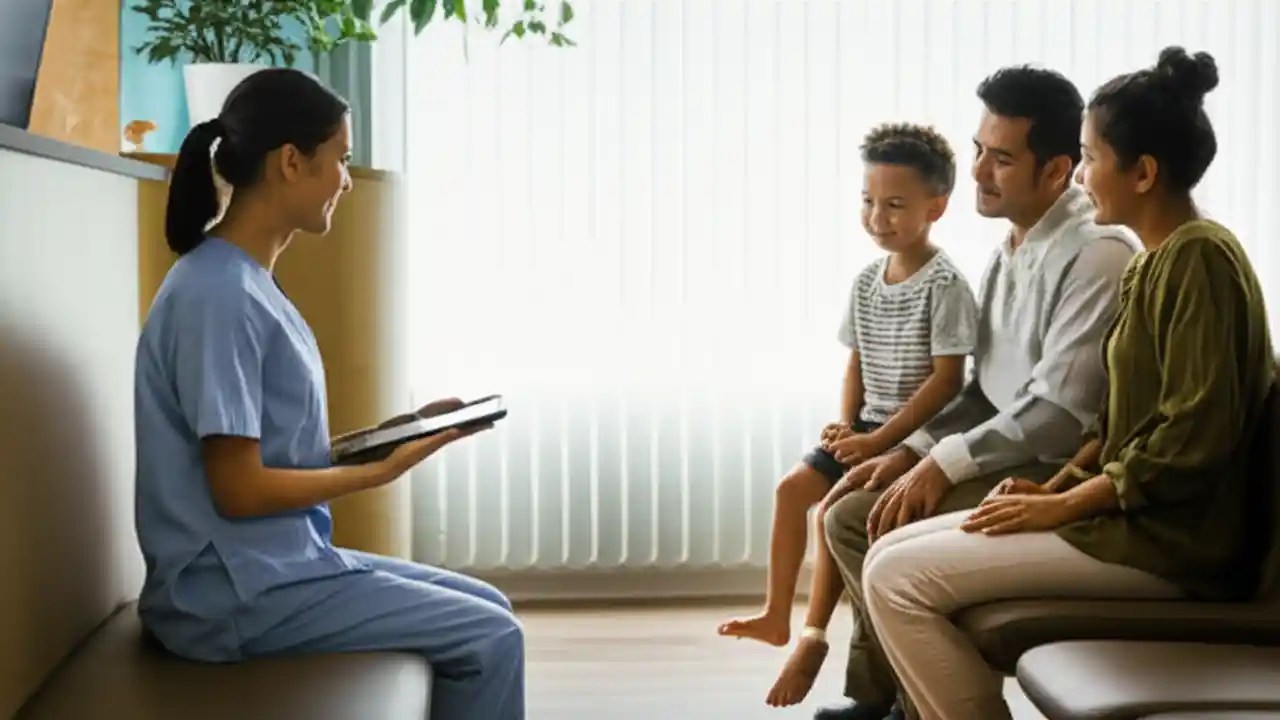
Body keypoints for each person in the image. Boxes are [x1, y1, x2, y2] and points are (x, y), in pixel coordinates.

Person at [859, 46, 1275, 720]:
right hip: (1130, 521)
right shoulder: (1154, 264)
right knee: (892, 552)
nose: (1078, 176)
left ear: (1141, 173)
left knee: (899, 581)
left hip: (1173, 544)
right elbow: (1118, 427)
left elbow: (1192, 441)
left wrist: (1064, 507)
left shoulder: (1199, 260)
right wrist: (1048, 488)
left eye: (1088, 158)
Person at [132, 68, 525, 720]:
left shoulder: (242, 280)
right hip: (226, 594)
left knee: (493, 610)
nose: (346, 179)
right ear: (291, 162)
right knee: (492, 637)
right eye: (339, 160)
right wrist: (374, 474)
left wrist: (395, 432)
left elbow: (265, 455)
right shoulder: (218, 295)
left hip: (271, 564)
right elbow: (238, 489)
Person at [815, 66, 1140, 720]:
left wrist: (941, 463)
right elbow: (984, 390)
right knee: (848, 504)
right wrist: (911, 452)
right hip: (1012, 453)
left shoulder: (1098, 253)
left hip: (1057, 472)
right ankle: (894, 702)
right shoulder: (1008, 249)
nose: (979, 173)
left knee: (859, 518)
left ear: (1056, 171)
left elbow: (1056, 416)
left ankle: (905, 704)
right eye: (978, 151)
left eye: (1001, 159)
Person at [718, 123, 980, 708]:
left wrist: (883, 440)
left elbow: (948, 382)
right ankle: (776, 616)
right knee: (793, 491)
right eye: (868, 202)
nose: (877, 217)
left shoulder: (946, 285)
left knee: (832, 514)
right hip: (868, 428)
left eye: (894, 205)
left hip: (911, 439)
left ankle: (813, 639)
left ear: (936, 206)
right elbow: (855, 364)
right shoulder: (866, 282)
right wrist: (846, 426)